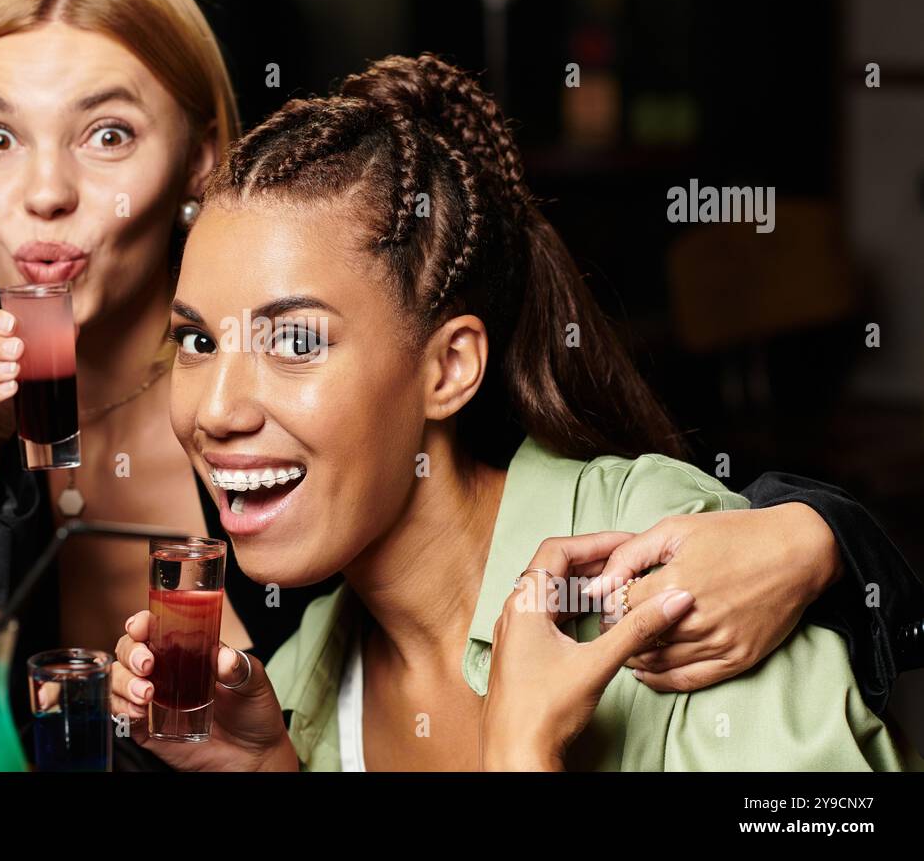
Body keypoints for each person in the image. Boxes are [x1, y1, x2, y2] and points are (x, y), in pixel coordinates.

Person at [0, 0, 920, 740]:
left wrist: (813, 535)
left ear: (200, 162)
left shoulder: (351, 401)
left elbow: (589, 488)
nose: (40, 193)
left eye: (104, 132)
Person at [108, 53, 922, 770]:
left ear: (449, 368)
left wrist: (525, 752)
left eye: (295, 340)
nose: (213, 410)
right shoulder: (299, 686)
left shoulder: (678, 569)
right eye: (198, 342)